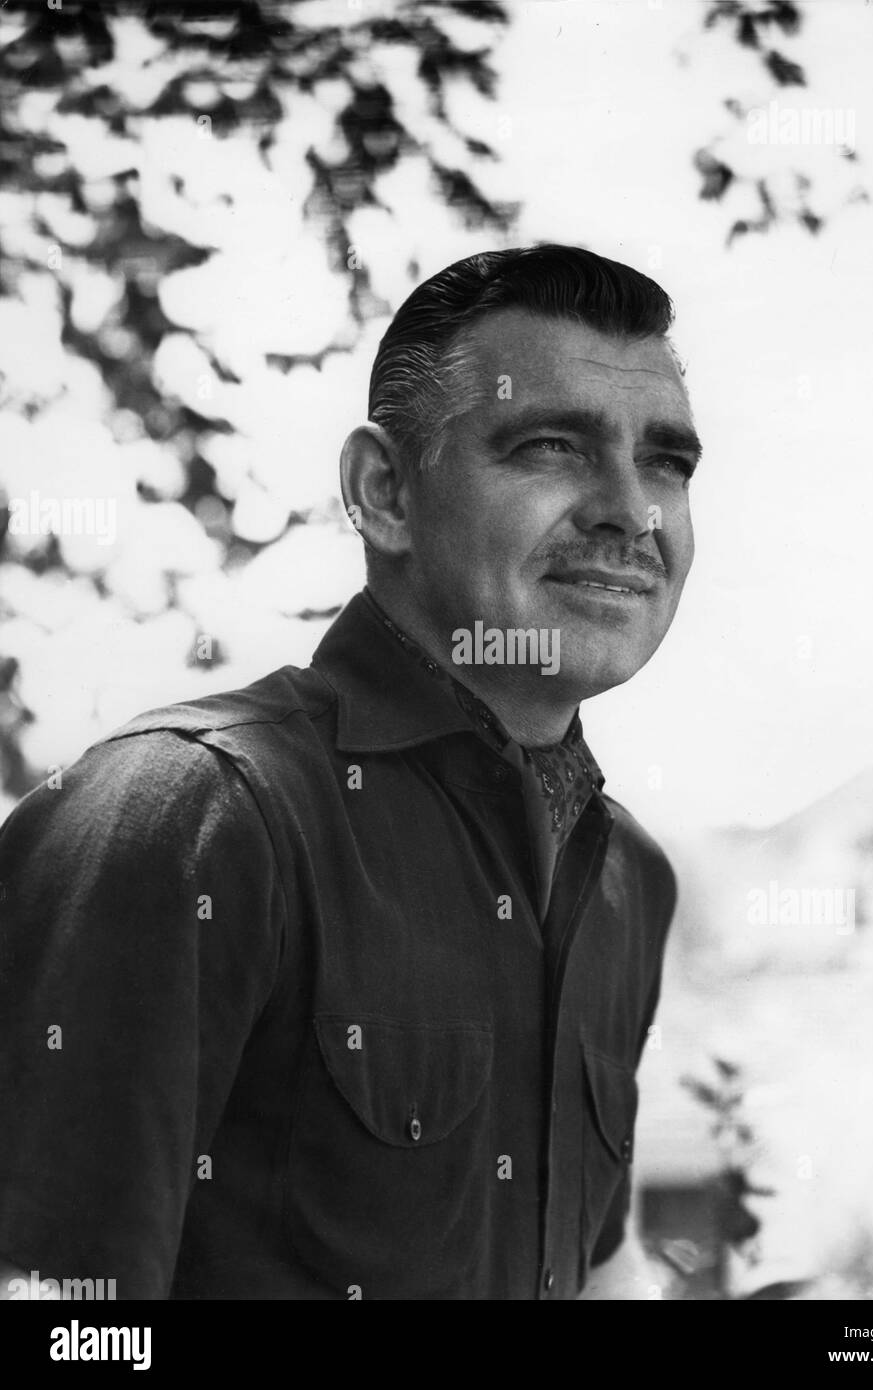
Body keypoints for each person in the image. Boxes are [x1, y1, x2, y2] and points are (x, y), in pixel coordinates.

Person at [0, 244, 701, 1300]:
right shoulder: (192, 814)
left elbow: (600, 1269)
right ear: (383, 492)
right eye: (551, 446)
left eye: (665, 464)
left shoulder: (626, 879)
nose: (628, 509)